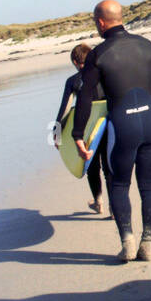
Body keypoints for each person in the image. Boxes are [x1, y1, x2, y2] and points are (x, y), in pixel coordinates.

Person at [72, 0, 151, 262]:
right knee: (148, 186)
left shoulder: (98, 54)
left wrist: (78, 135)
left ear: (100, 22)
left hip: (121, 126)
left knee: (120, 183)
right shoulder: (148, 46)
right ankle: (148, 244)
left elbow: (85, 98)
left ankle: (127, 241)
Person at [55, 42, 109, 215]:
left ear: (75, 62)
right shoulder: (105, 74)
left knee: (92, 167)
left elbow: (64, 110)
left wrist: (56, 135)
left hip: (86, 130)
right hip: (108, 126)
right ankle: (115, 208)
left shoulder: (73, 81)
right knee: (109, 167)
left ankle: (99, 202)